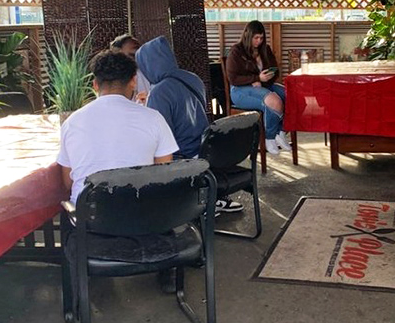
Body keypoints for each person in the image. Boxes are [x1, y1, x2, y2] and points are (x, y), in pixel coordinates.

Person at [136, 37, 243, 214]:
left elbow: (162, 135)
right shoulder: (192, 78)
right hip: (207, 149)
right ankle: (209, 199)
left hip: (183, 155)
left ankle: (181, 207)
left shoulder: (159, 92)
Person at [58, 49, 177, 206]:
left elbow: (68, 182)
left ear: (94, 84)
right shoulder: (154, 118)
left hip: (90, 219)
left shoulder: (72, 122)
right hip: (143, 218)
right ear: (133, 81)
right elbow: (164, 175)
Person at [226, 20, 291, 155]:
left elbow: (275, 71)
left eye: (261, 38)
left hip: (263, 85)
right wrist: (255, 79)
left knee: (291, 95)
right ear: (248, 36)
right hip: (239, 90)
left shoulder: (265, 49)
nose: (259, 41)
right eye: (256, 38)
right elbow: (233, 78)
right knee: (274, 101)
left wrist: (268, 76)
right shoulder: (236, 51)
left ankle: (281, 131)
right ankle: (270, 137)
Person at [110, 33, 151, 103]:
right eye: (132, 55)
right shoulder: (109, 77)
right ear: (117, 54)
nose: (137, 59)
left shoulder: (144, 74)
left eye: (138, 55)